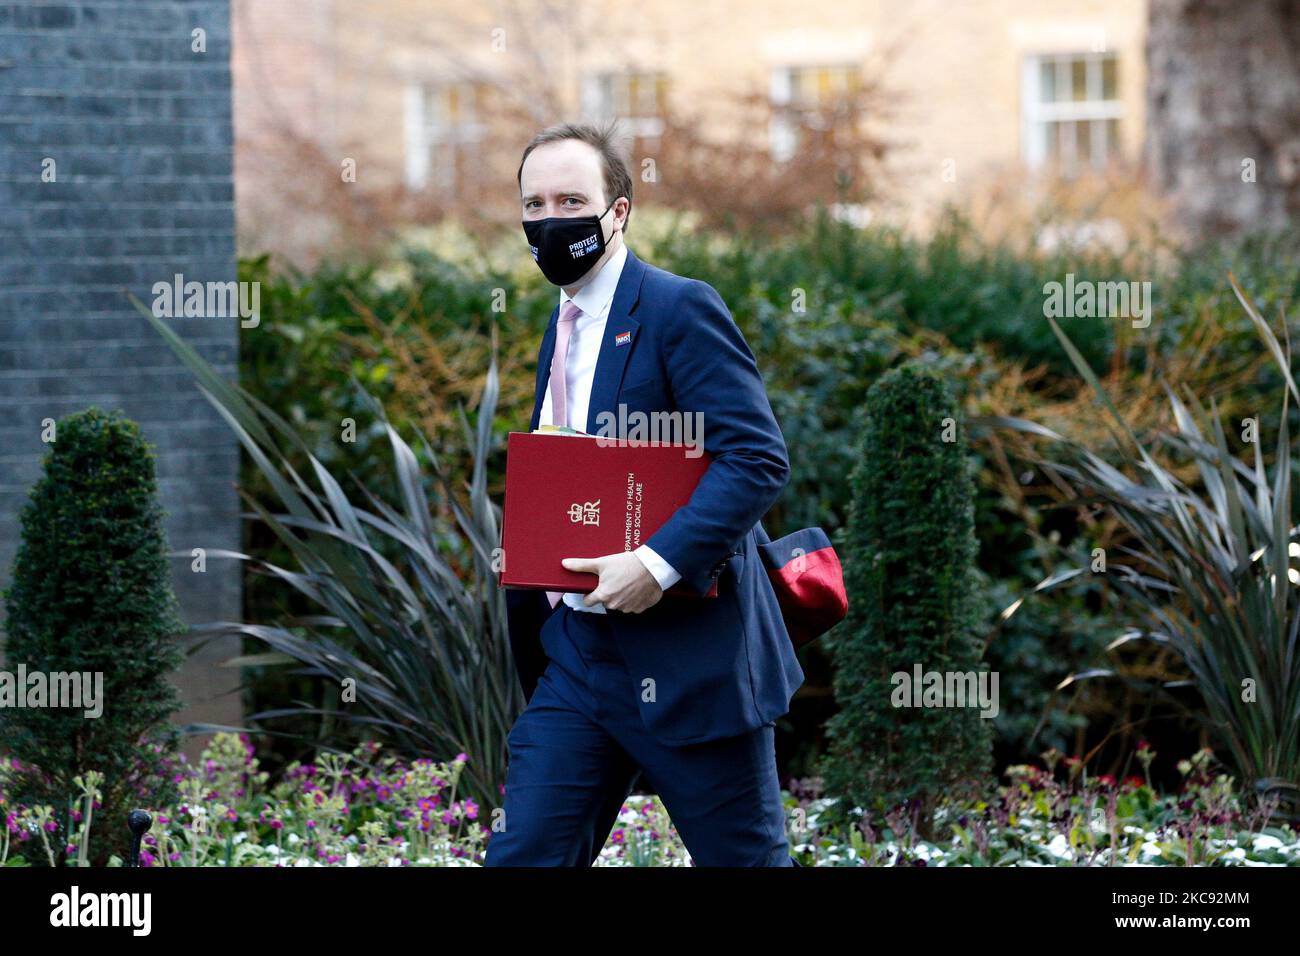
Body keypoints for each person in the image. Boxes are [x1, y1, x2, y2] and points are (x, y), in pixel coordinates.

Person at [485, 121, 804, 867]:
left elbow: (755, 457)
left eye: (571, 199)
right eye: (534, 205)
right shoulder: (561, 324)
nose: (549, 221)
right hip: (579, 660)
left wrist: (655, 563)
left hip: (691, 661)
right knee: (525, 852)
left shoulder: (676, 309)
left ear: (619, 211)